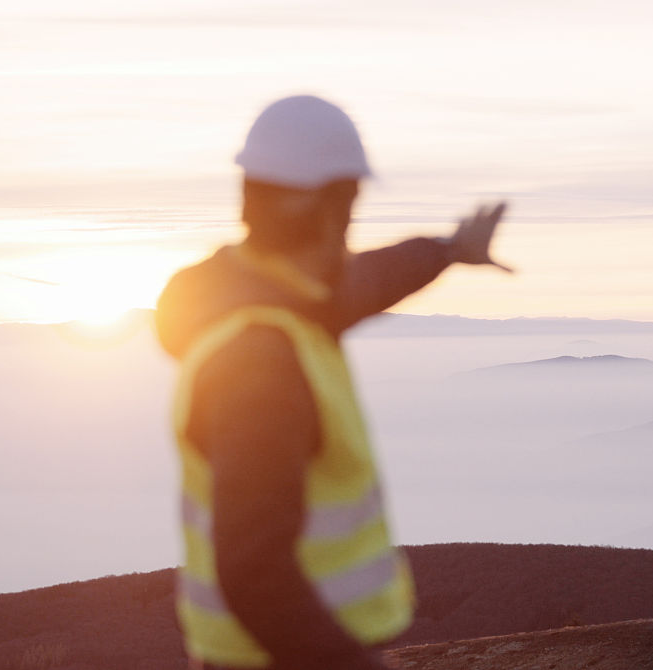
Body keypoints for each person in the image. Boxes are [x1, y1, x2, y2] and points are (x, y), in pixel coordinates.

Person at [155, 95, 509, 670]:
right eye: (350, 202)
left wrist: (449, 251)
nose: (352, 223)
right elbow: (254, 571)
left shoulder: (266, 298)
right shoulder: (259, 359)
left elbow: (368, 279)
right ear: (327, 205)